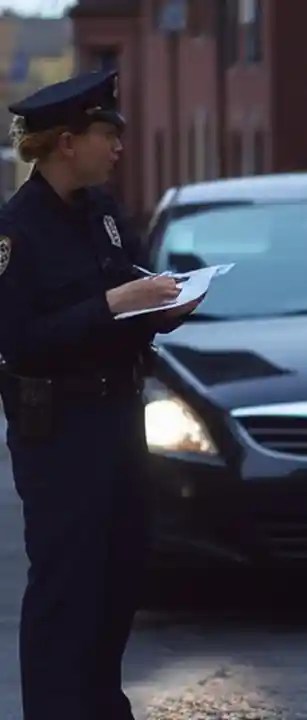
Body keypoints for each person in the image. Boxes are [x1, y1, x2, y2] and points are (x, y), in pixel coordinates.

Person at [0, 70, 202, 719]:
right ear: (67, 142)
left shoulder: (105, 215)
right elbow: (19, 339)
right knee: (67, 585)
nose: (117, 147)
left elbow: (133, 300)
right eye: (105, 134)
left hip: (118, 416)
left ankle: (100, 705)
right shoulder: (16, 231)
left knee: (121, 571)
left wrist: (166, 307)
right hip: (59, 429)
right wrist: (111, 304)